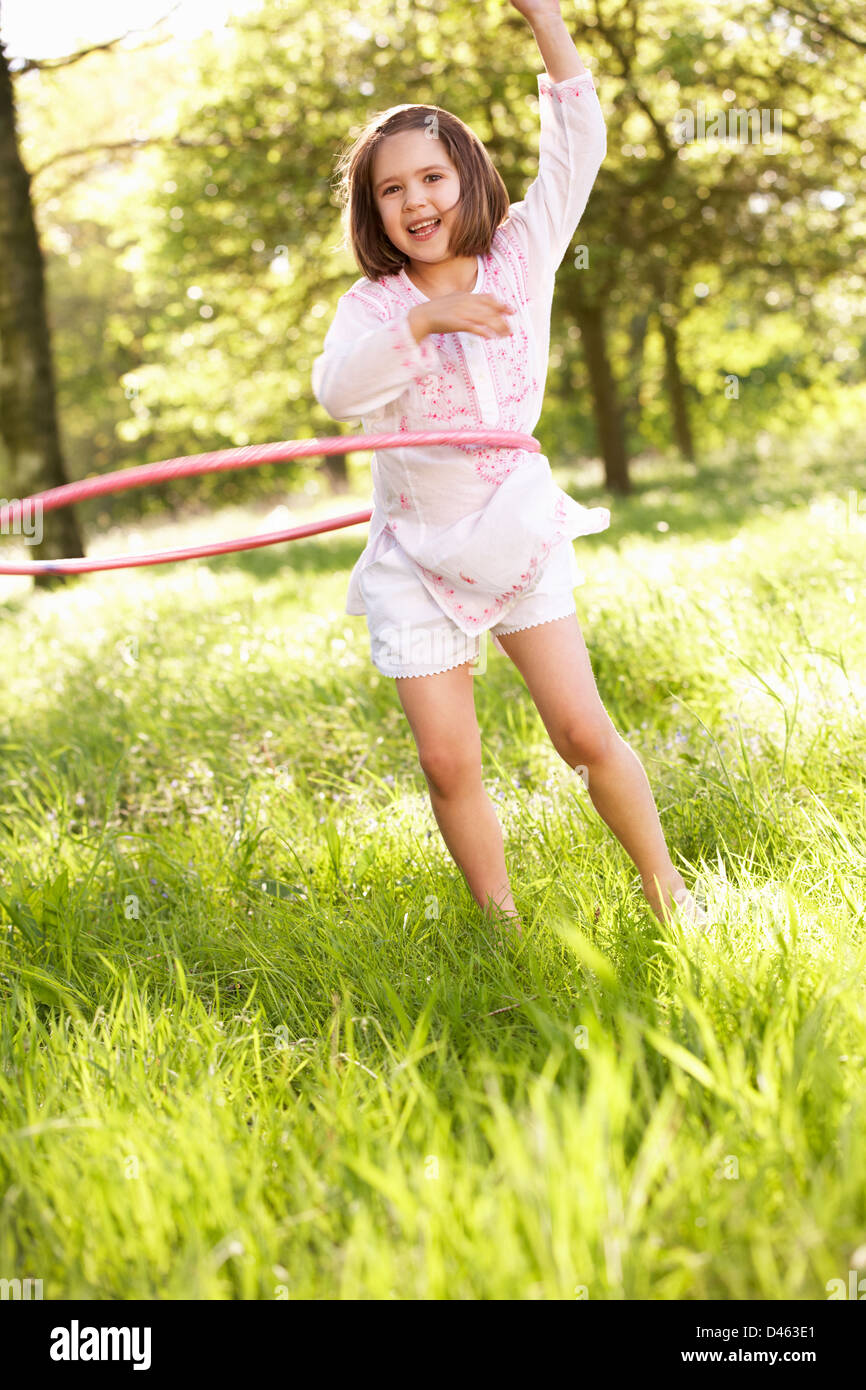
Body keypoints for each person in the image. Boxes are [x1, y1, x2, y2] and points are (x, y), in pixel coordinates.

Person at [312, 0, 707, 935]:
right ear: (373, 211)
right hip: (415, 550)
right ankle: (502, 932)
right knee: (448, 763)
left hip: (515, 532)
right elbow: (339, 393)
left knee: (581, 732)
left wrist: (545, 16)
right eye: (390, 191)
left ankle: (672, 895)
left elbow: (578, 141)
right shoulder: (373, 306)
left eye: (432, 178)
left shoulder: (522, 253)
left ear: (467, 178)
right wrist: (422, 321)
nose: (415, 202)